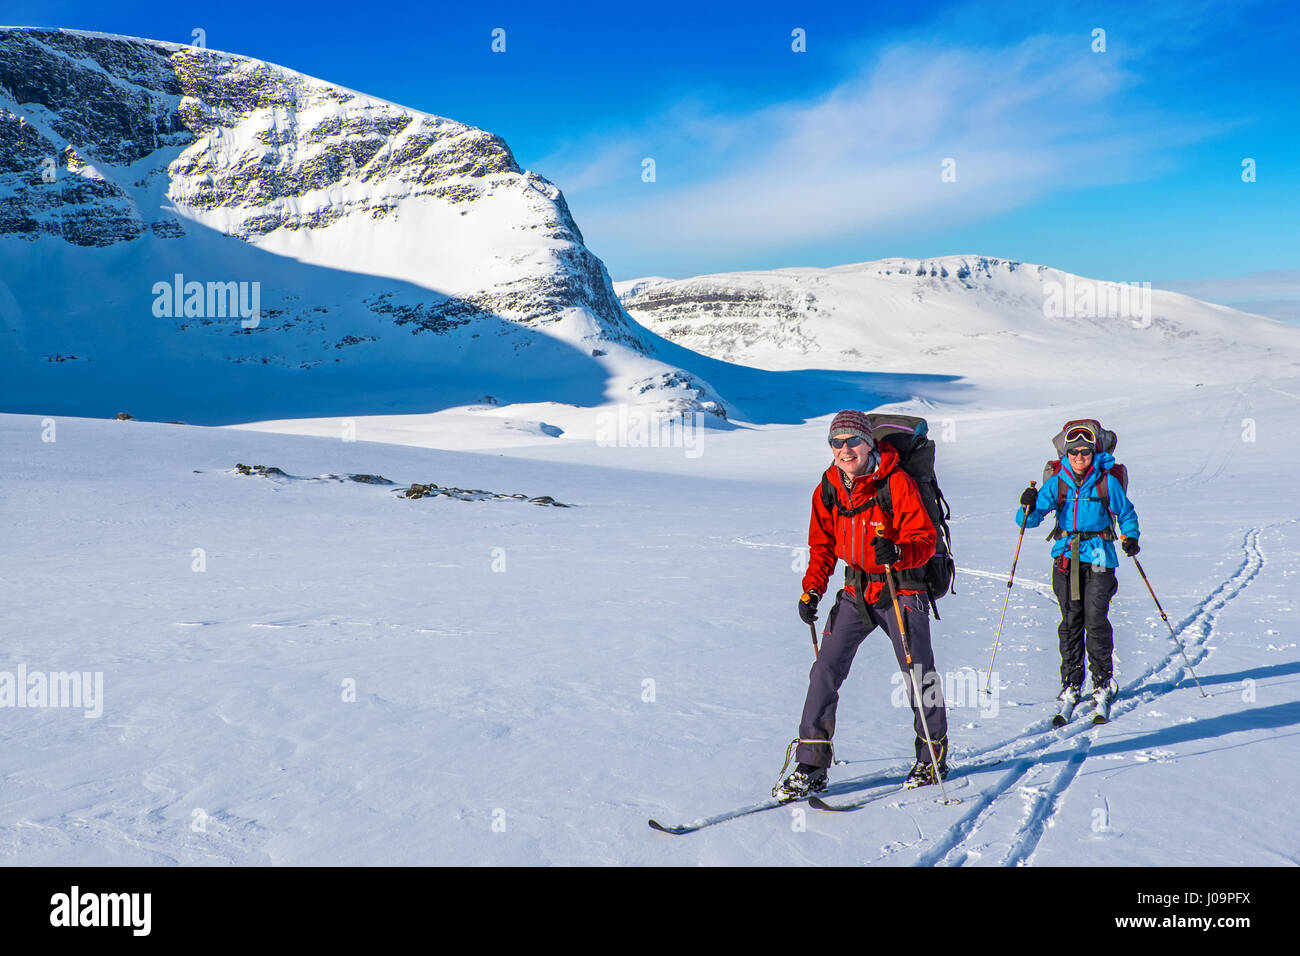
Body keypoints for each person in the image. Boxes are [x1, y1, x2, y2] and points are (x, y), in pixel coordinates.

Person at [775, 410, 949, 799]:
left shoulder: (897, 482)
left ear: (869, 442)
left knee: (919, 673)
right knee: (825, 670)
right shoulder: (829, 487)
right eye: (836, 443)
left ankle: (932, 755)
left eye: (852, 440)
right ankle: (811, 764)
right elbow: (821, 547)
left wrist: (898, 552)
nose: (844, 449)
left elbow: (924, 539)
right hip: (856, 591)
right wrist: (812, 590)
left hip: (901, 586)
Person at [1015, 422, 1139, 716]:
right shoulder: (1056, 482)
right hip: (1066, 559)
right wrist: (1027, 506)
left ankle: (1102, 681)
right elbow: (1028, 521)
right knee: (1070, 621)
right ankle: (1071, 682)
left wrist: (1130, 536)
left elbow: (1127, 512)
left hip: (1099, 556)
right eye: (1074, 452)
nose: (1080, 457)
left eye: (1085, 451)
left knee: (1095, 620)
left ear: (1093, 452)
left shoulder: (1106, 482)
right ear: (1067, 455)